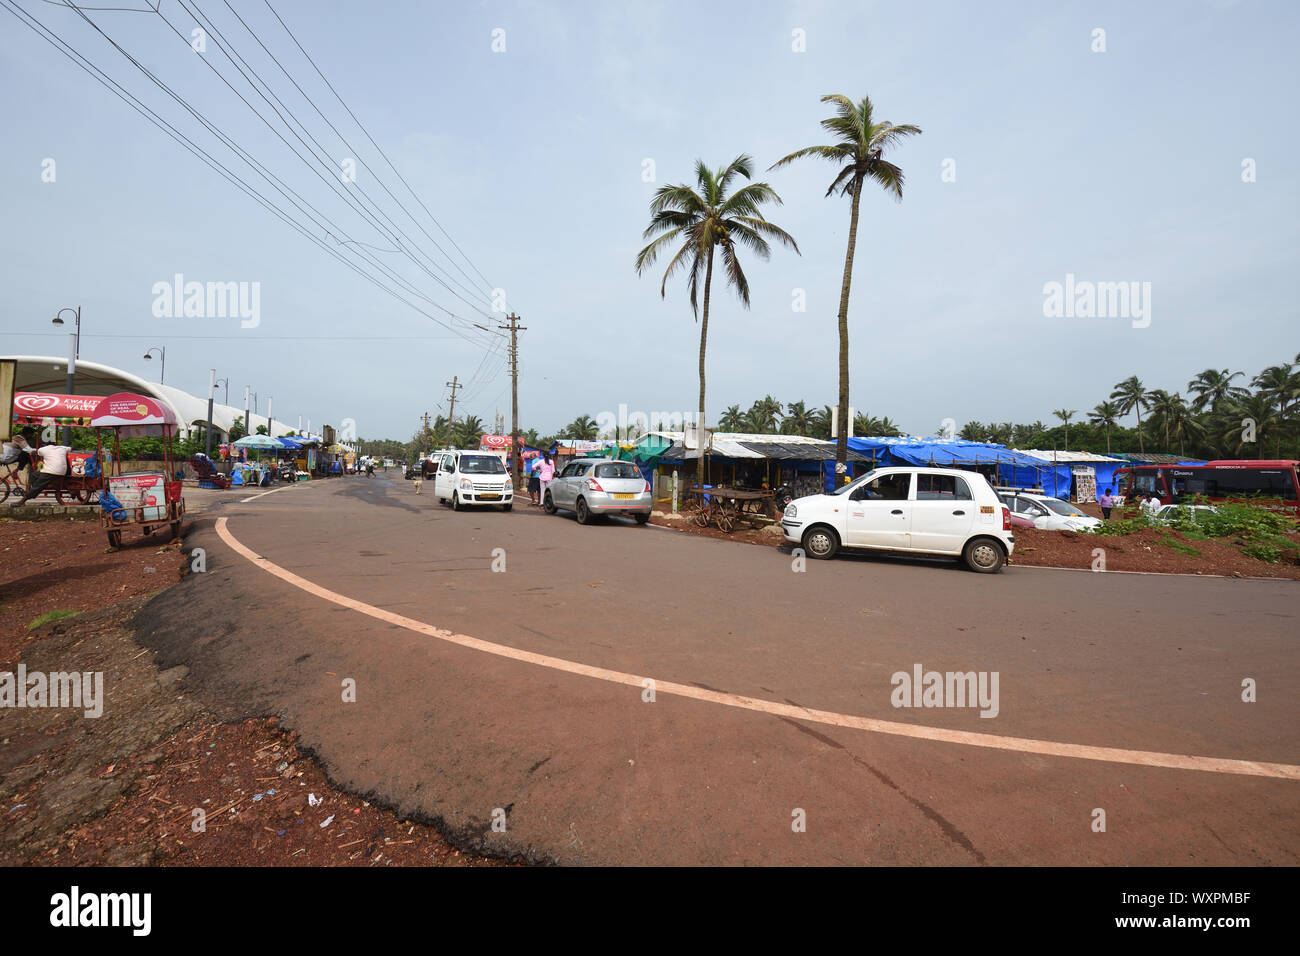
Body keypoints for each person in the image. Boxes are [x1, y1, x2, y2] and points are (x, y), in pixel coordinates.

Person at [9, 433, 70, 507]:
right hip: (62, 471)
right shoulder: (63, 448)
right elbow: (69, 448)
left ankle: (23, 501)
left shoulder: (43, 449)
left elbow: (35, 453)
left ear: (44, 443)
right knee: (34, 475)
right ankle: (34, 490)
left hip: (50, 472)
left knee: (37, 486)